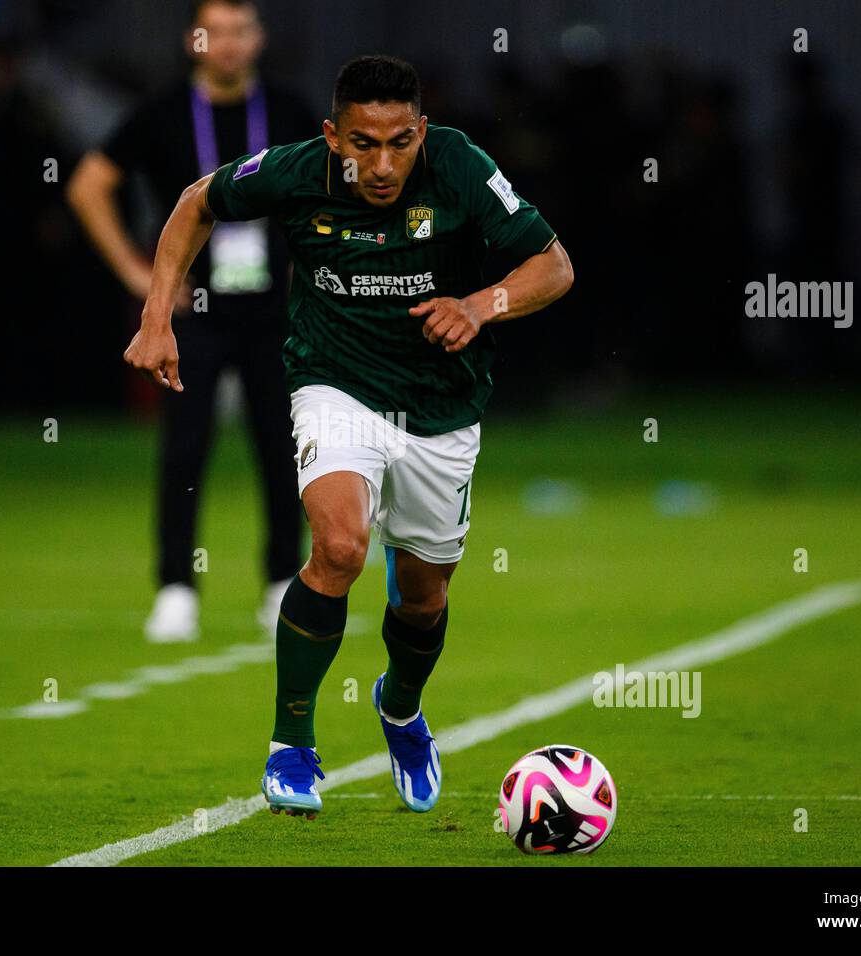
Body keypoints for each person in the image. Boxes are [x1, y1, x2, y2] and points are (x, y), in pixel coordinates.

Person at [123, 55, 573, 817]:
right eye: (364, 142)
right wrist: (157, 314)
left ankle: (399, 708)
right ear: (334, 136)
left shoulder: (459, 164)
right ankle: (291, 744)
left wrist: (482, 303)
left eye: (400, 141)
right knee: (339, 548)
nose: (384, 162)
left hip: (441, 407)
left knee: (424, 597)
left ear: (422, 131)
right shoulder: (297, 171)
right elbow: (197, 201)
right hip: (337, 386)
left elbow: (553, 265)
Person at [68, 0, 315, 643]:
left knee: (284, 445)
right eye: (217, 32)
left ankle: (282, 583)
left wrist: (312, 263)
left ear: (259, 38)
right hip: (191, 312)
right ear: (193, 40)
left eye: (242, 30)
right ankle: (177, 588)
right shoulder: (162, 112)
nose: (229, 44)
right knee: (184, 447)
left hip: (274, 310)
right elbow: (88, 185)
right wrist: (135, 272)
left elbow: (334, 187)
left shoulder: (289, 111)